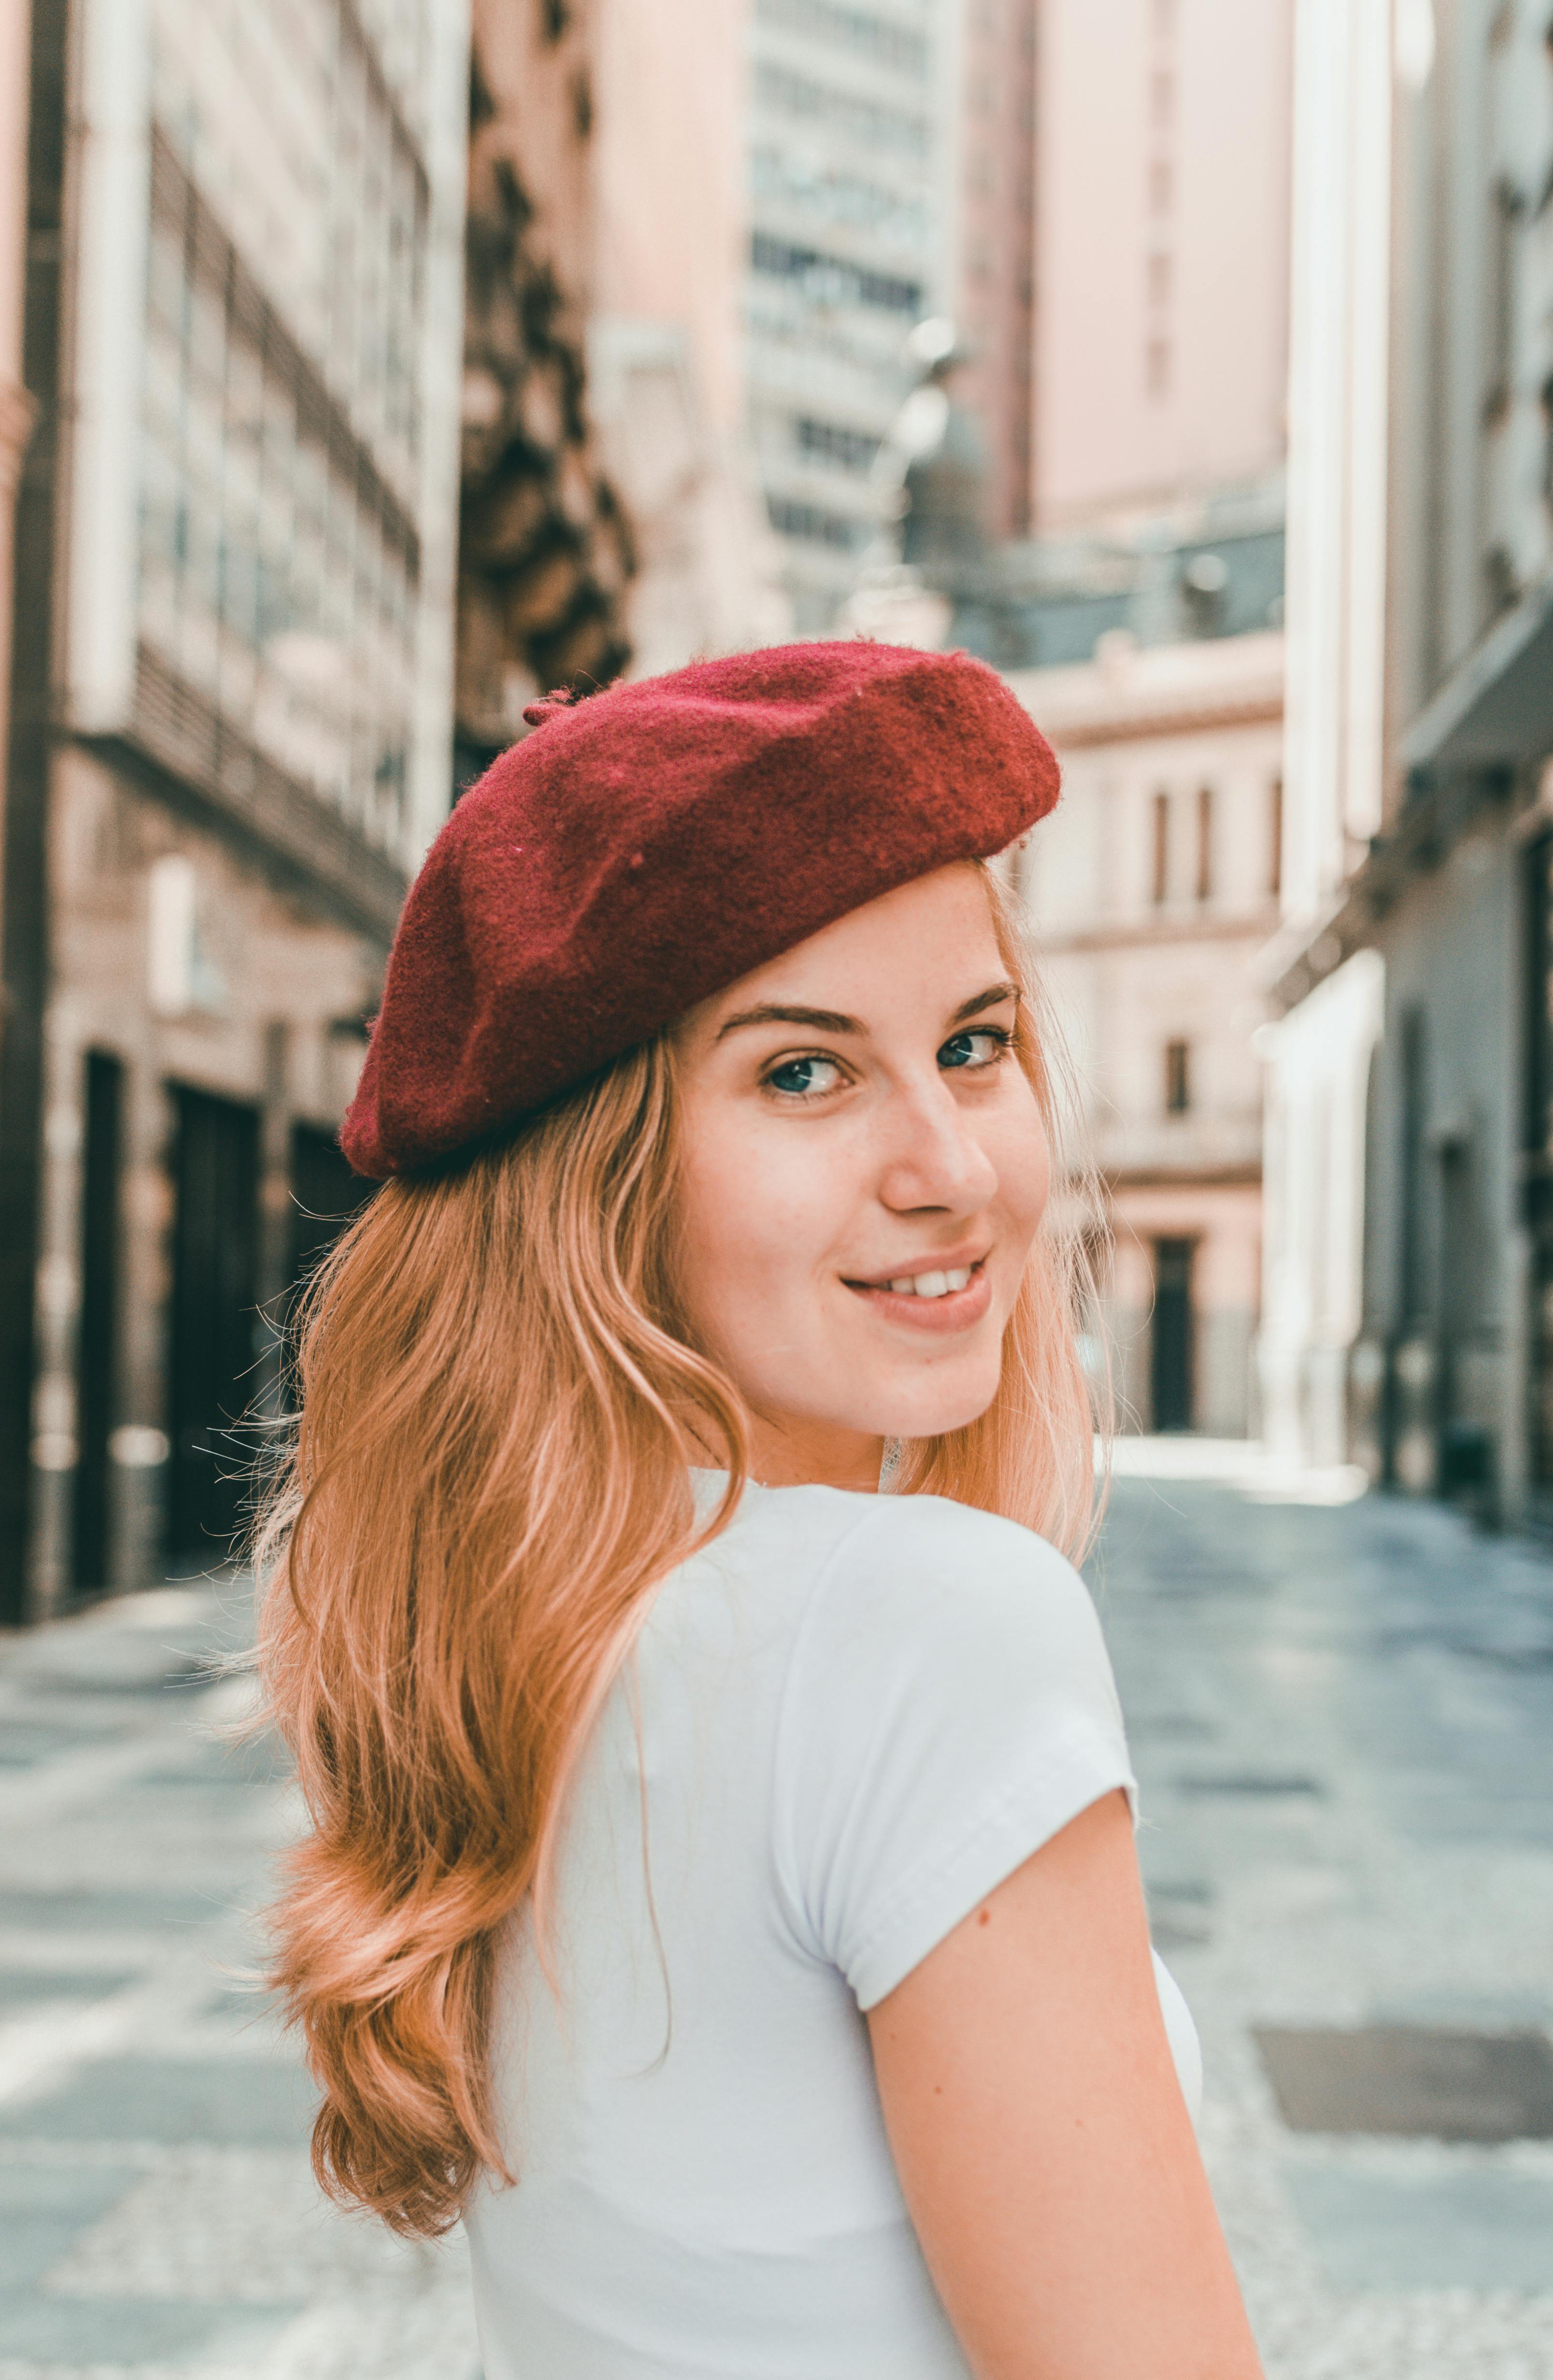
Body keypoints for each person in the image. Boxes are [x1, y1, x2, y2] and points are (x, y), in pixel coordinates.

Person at [256, 642, 1263, 2379]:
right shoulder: (926, 1625)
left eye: (975, 1045)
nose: (953, 1166)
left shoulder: (518, 1636)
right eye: (805, 1073)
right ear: (596, 1183)